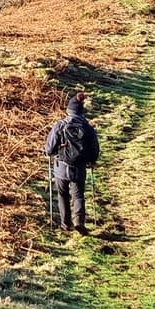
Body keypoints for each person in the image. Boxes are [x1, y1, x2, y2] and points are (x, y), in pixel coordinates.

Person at [44, 91, 100, 233]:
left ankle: (65, 224)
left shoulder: (60, 125)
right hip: (79, 167)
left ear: (68, 110)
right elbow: (94, 148)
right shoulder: (87, 128)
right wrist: (92, 160)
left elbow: (49, 148)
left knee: (62, 194)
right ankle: (79, 222)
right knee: (78, 195)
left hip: (61, 167)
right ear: (81, 111)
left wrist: (51, 153)